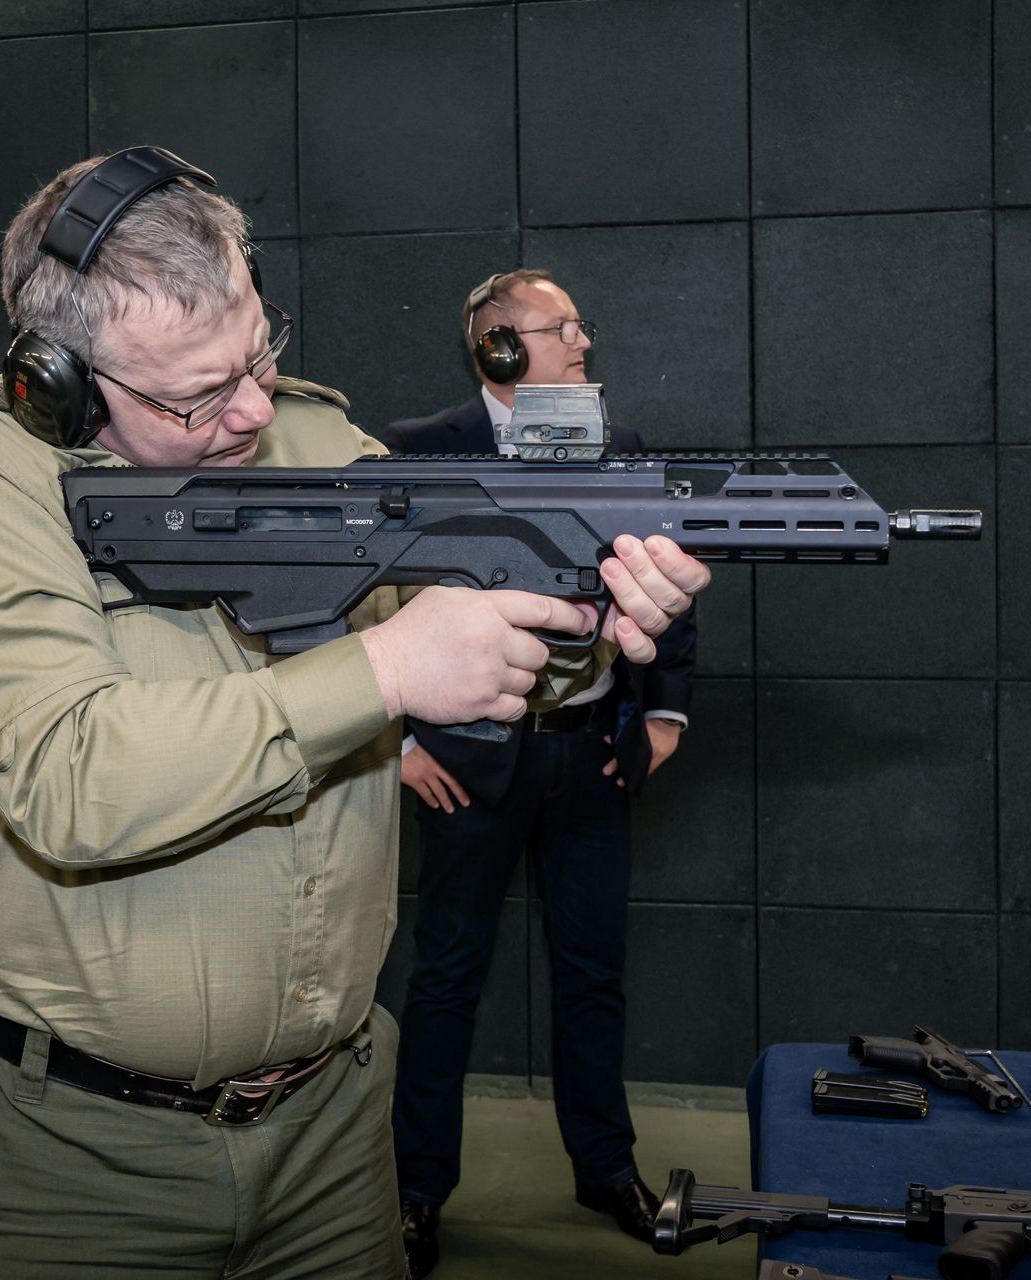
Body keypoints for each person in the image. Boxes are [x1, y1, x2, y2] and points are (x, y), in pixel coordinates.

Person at [0, 150, 709, 1280]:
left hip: (330, 1134)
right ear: (57, 379)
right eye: (200, 393)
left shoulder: (315, 441)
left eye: (261, 350)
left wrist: (575, 617)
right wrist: (387, 672)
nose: (254, 407)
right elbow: (70, 776)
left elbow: (479, 645)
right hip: (66, 1152)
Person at [377, 269, 697, 1277]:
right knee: (446, 978)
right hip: (467, 764)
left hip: (593, 755)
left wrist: (663, 712)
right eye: (560, 328)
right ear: (497, 347)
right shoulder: (415, 449)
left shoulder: (624, 448)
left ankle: (604, 1167)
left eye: (580, 325)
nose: (582, 342)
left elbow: (668, 585)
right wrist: (398, 743)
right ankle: (416, 1190)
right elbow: (360, 603)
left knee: (594, 974)